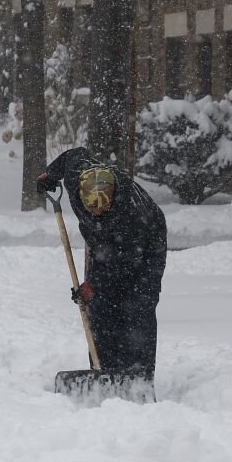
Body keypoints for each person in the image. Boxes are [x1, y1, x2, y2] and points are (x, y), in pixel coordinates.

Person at [36, 147, 167, 377]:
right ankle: (103, 370)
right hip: (105, 244)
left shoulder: (130, 214)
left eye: (102, 209)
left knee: (137, 305)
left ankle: (137, 375)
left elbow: (124, 263)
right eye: (91, 209)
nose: (96, 214)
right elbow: (72, 154)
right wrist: (50, 175)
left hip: (145, 245)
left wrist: (93, 284)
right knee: (101, 307)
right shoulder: (77, 174)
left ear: (113, 197)